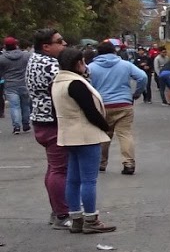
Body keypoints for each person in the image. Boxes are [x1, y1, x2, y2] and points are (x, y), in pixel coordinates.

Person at [49, 44, 116, 234]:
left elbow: (54, 112)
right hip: (86, 135)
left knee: (73, 179)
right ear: (78, 63)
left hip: (67, 135)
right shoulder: (76, 83)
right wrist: (105, 126)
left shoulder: (56, 83)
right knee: (89, 180)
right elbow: (90, 111)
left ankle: (76, 218)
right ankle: (91, 219)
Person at [25, 28, 71, 229]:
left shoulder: (34, 60)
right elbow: (69, 86)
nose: (64, 44)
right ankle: (62, 214)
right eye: (59, 41)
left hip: (41, 119)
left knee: (54, 167)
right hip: (52, 121)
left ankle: (57, 209)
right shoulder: (51, 65)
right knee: (60, 170)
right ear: (46, 46)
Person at [87, 40, 148, 175]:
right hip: (124, 103)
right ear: (114, 51)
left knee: (104, 135)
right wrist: (137, 93)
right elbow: (142, 77)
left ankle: (101, 163)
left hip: (103, 105)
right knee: (125, 134)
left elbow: (86, 84)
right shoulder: (125, 65)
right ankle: (129, 163)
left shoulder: (91, 67)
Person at [2, 35, 32, 133]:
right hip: (24, 83)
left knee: (14, 106)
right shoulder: (26, 56)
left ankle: (16, 126)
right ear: (16, 45)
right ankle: (26, 124)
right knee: (25, 105)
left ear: (5, 46)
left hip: (10, 85)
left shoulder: (2, 58)